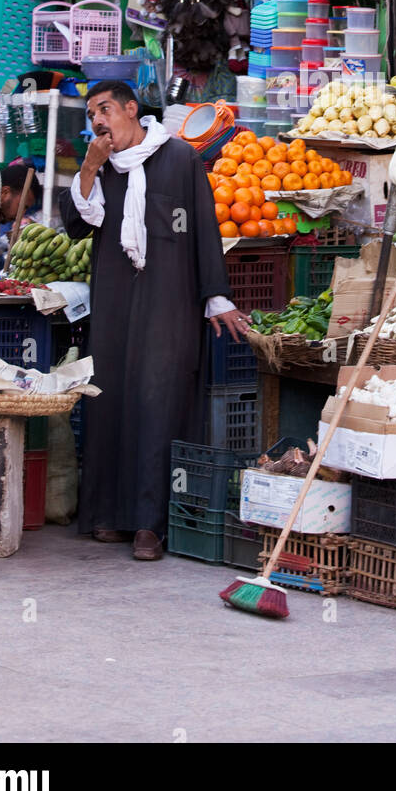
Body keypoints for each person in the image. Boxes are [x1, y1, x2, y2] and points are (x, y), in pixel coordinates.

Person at [59, 81, 250, 561]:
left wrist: (216, 295)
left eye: (104, 109)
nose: (98, 121)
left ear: (131, 109)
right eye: (91, 114)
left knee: (158, 400)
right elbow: (78, 223)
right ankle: (109, 515)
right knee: (111, 397)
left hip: (169, 301)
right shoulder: (102, 167)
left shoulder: (179, 159)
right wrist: (87, 167)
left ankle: (150, 525)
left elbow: (203, 227)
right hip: (116, 299)